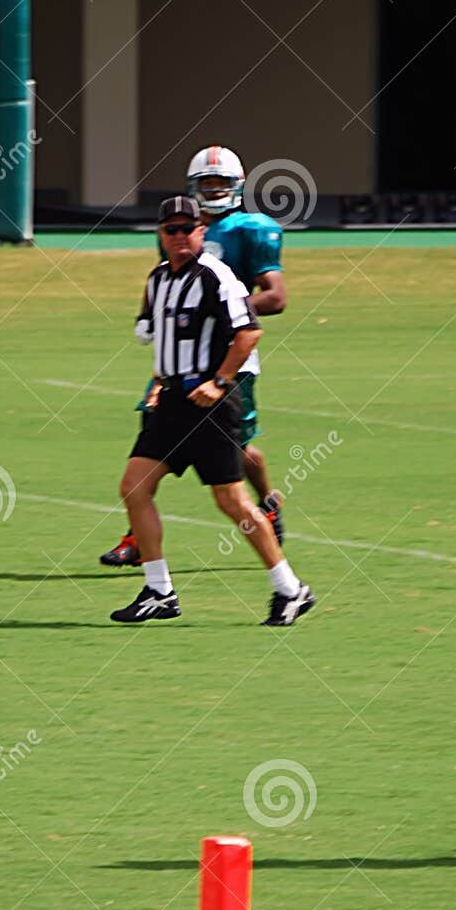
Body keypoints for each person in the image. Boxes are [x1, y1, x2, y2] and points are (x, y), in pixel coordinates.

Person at [110, 195, 315, 628]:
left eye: (190, 228)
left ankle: (290, 589)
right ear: (161, 235)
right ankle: (159, 591)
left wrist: (219, 381)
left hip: (210, 405)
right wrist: (159, 383)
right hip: (169, 402)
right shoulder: (159, 279)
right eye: (172, 229)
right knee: (134, 486)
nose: (181, 236)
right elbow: (157, 335)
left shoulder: (218, 277)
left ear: (203, 232)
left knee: (233, 501)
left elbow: (248, 334)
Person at [102, 144, 288, 566]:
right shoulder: (177, 227)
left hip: (226, 358)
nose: (215, 190)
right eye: (207, 183)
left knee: (238, 449)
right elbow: (167, 288)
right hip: (177, 361)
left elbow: (276, 297)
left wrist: (217, 314)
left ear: (237, 186)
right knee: (149, 437)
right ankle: (137, 537)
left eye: (221, 183)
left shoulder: (252, 229)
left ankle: (267, 503)